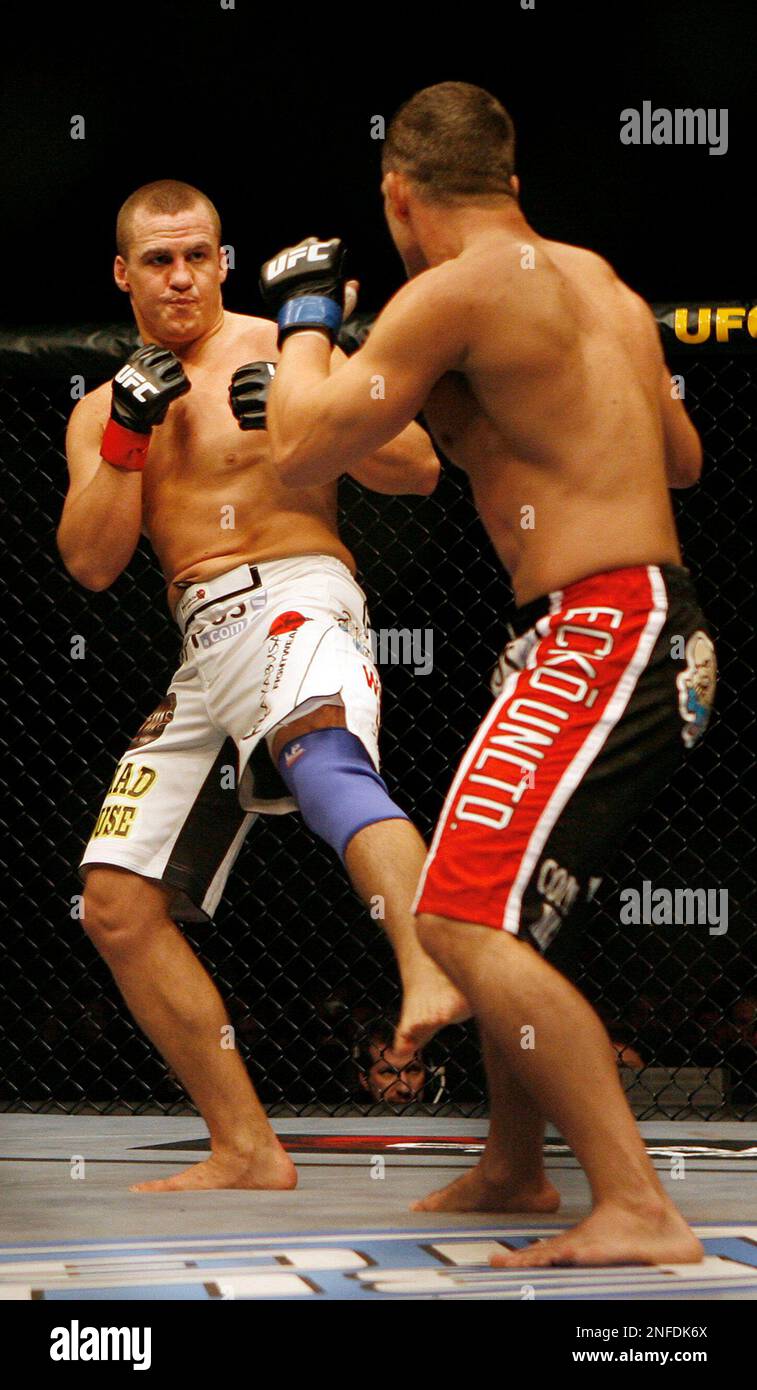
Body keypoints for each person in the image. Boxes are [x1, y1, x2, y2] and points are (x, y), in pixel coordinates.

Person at [261, 83, 717, 1265]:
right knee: (515, 913)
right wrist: (487, 421)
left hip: (603, 624)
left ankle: (635, 1205)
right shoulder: (601, 280)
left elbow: (304, 437)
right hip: (639, 619)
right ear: (511, 181)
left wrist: (307, 312)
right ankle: (516, 1165)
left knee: (459, 913)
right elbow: (679, 452)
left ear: (398, 197)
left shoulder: (448, 290)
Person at [57, 178, 466, 1194]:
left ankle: (430, 963)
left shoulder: (289, 347)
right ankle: (246, 1145)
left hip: (296, 596)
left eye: (198, 254)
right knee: (112, 902)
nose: (182, 276)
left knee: (322, 755)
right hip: (202, 643)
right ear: (124, 274)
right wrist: (125, 443)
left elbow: (417, 466)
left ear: (223, 260)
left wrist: (308, 415)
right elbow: (93, 562)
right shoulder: (109, 405)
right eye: (158, 260)